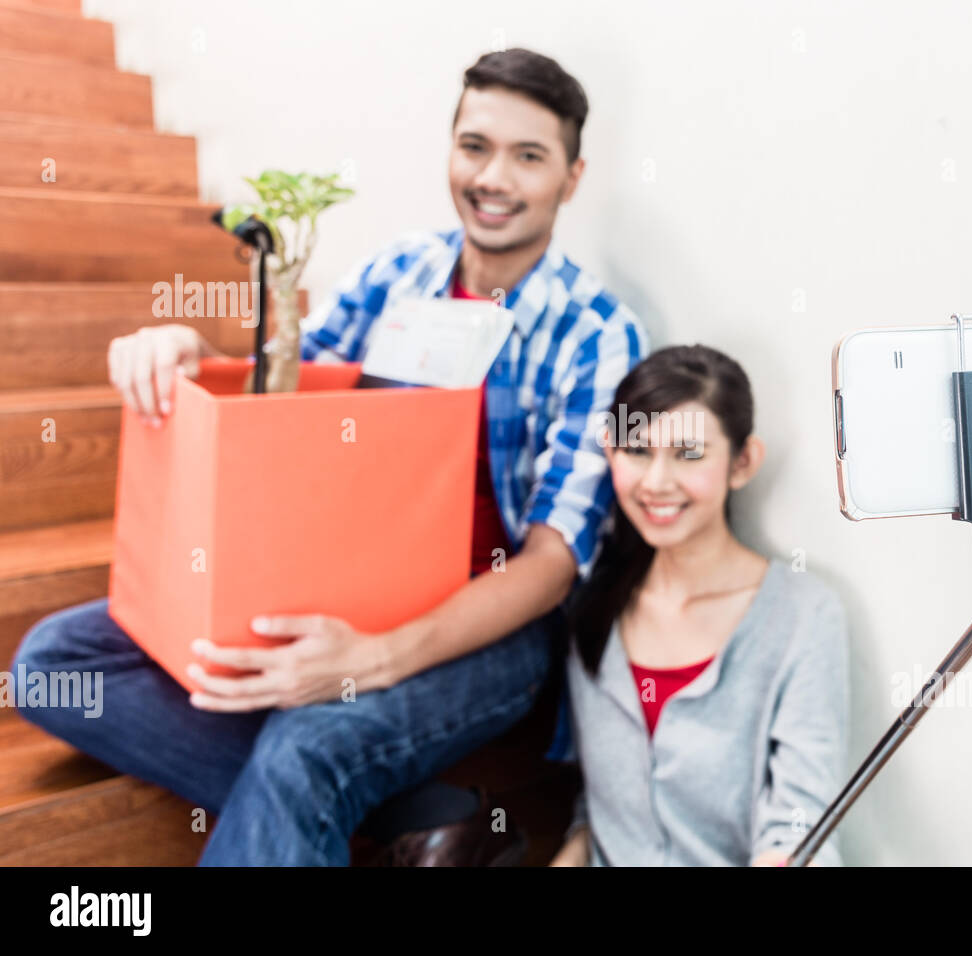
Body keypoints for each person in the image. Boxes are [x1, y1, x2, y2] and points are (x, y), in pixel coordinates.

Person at [13, 48, 647, 866]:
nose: (495, 177)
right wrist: (187, 346)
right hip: (344, 581)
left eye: (529, 157)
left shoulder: (598, 333)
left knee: (305, 744)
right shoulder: (401, 271)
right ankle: (407, 819)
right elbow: (285, 399)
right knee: (53, 664)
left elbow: (554, 565)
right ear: (450, 149)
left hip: (492, 632)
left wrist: (372, 659)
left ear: (572, 176)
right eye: (476, 147)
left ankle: (331, 796)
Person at [549, 345, 850, 867]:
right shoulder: (593, 606)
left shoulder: (803, 615)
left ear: (743, 462)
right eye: (636, 450)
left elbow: (798, 825)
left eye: (688, 453)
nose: (657, 481)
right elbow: (600, 811)